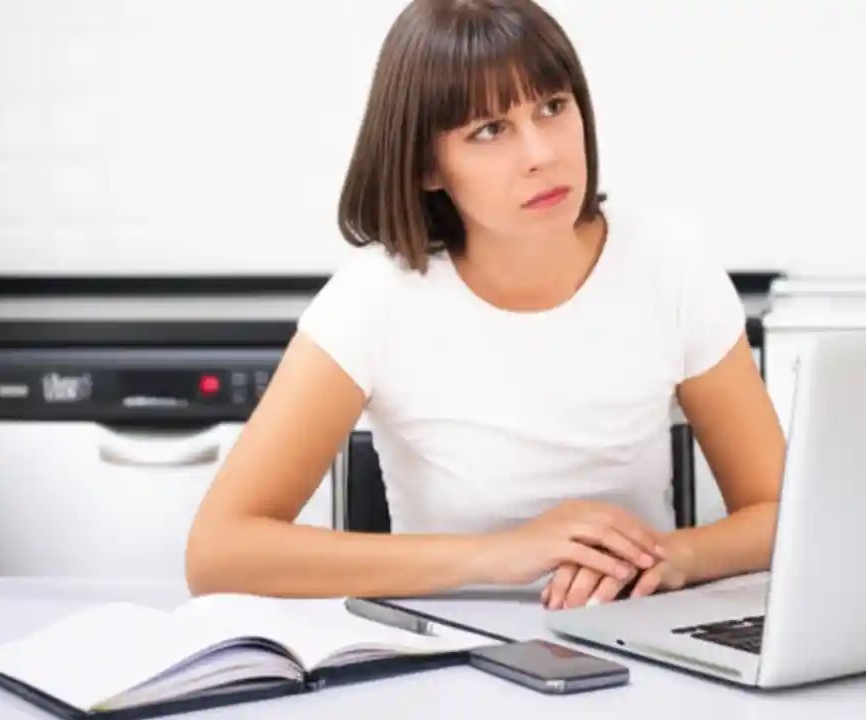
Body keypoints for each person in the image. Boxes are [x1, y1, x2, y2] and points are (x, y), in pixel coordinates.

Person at [185, 0, 785, 611]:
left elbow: (782, 514)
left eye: (552, 108)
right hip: (446, 652)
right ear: (426, 166)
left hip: (632, 640)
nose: (541, 154)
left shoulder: (668, 264)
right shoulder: (373, 300)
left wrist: (671, 556)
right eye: (489, 130)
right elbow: (219, 553)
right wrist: (499, 555)